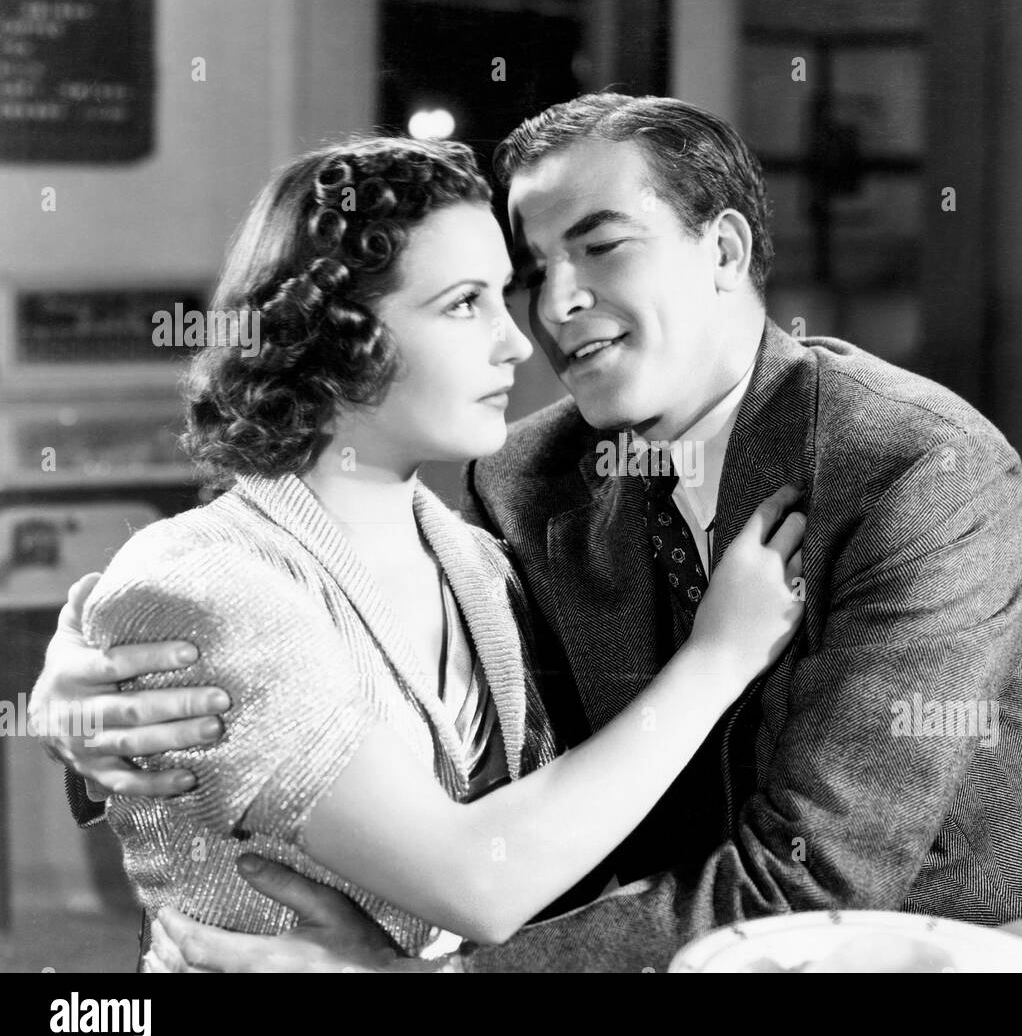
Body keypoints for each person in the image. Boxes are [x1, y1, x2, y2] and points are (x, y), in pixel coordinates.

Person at [37, 95, 1022, 974]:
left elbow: (814, 881)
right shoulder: (524, 475)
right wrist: (94, 715)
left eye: (601, 247)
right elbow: (435, 723)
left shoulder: (913, 468)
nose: (553, 307)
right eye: (527, 273)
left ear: (724, 249)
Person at [33, 133, 806, 963]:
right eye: (464, 302)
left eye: (505, 296)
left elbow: (582, 823)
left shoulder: (482, 561)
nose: (518, 341)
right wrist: (719, 655)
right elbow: (474, 881)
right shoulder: (209, 581)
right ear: (337, 334)